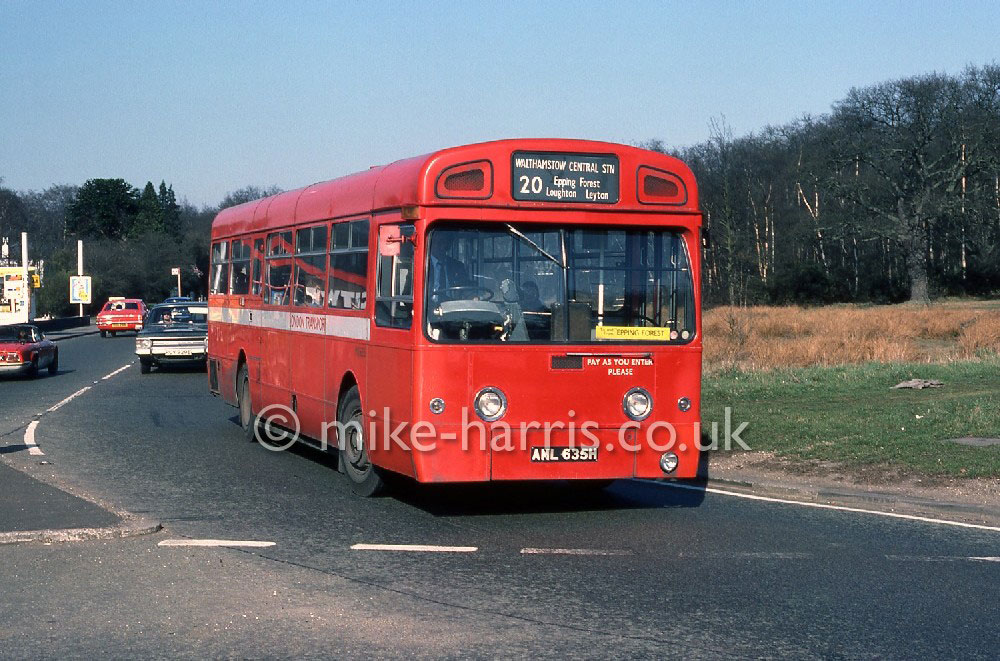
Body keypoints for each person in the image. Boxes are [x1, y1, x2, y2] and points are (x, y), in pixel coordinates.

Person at [428, 233, 472, 299]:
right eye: (439, 243)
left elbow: (466, 287)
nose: (442, 247)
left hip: (451, 306)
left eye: (445, 243)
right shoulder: (422, 265)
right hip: (427, 306)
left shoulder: (458, 266)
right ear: (431, 244)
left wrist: (472, 296)